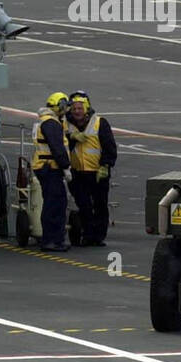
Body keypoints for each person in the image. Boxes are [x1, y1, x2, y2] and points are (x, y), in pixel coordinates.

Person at [65, 91, 117, 246]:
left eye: (80, 108)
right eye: (74, 109)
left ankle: (98, 237)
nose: (77, 112)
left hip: (97, 173)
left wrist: (105, 165)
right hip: (77, 173)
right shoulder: (65, 124)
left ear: (86, 109)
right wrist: (72, 138)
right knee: (84, 205)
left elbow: (110, 147)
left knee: (100, 205)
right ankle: (87, 234)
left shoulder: (100, 123)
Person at [32, 92, 73, 251]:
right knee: (56, 204)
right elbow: (58, 148)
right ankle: (53, 240)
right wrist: (65, 167)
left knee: (51, 203)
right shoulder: (51, 123)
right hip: (51, 168)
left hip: (43, 167)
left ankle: (52, 239)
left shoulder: (43, 121)